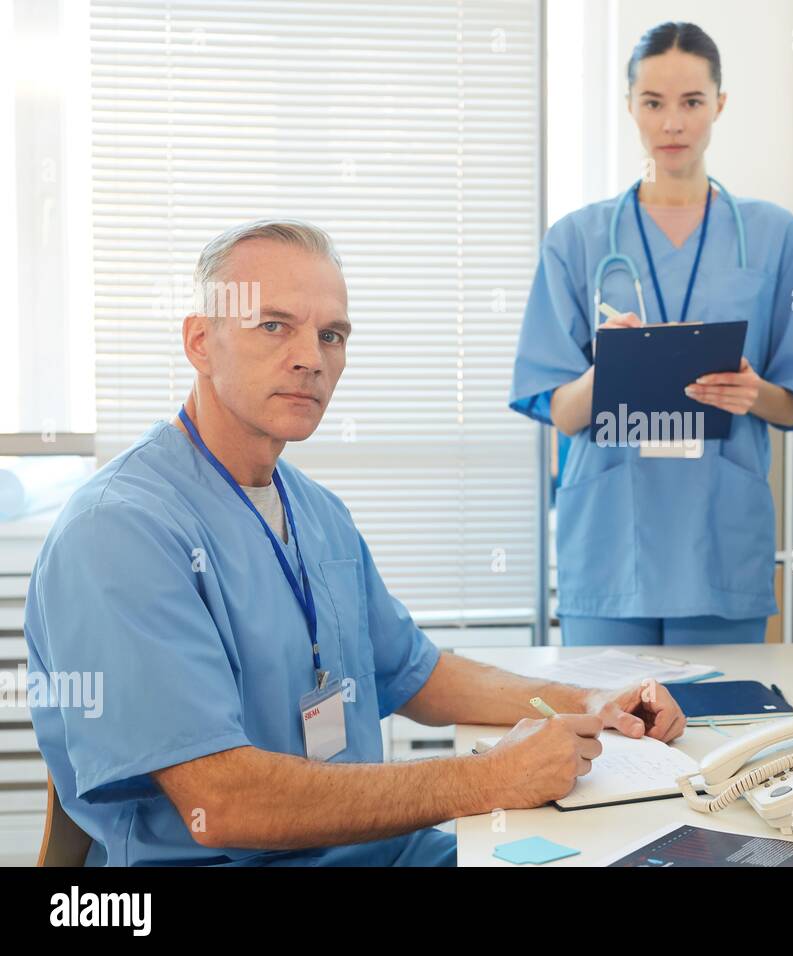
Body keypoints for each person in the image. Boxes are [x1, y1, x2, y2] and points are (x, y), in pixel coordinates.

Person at [24, 219, 685, 866]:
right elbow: (222, 804)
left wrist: (592, 703)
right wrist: (491, 779)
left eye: (332, 334)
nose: (311, 357)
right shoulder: (119, 533)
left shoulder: (315, 511)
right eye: (274, 325)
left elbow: (416, 673)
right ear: (200, 341)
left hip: (377, 850)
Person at [509, 21, 793, 646]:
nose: (673, 123)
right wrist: (607, 375)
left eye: (691, 102)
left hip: (719, 535)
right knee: (602, 735)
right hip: (608, 536)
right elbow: (556, 408)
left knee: (721, 733)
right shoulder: (576, 240)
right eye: (653, 103)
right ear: (630, 106)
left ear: (720, 105)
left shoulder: (776, 236)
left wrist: (751, 391)